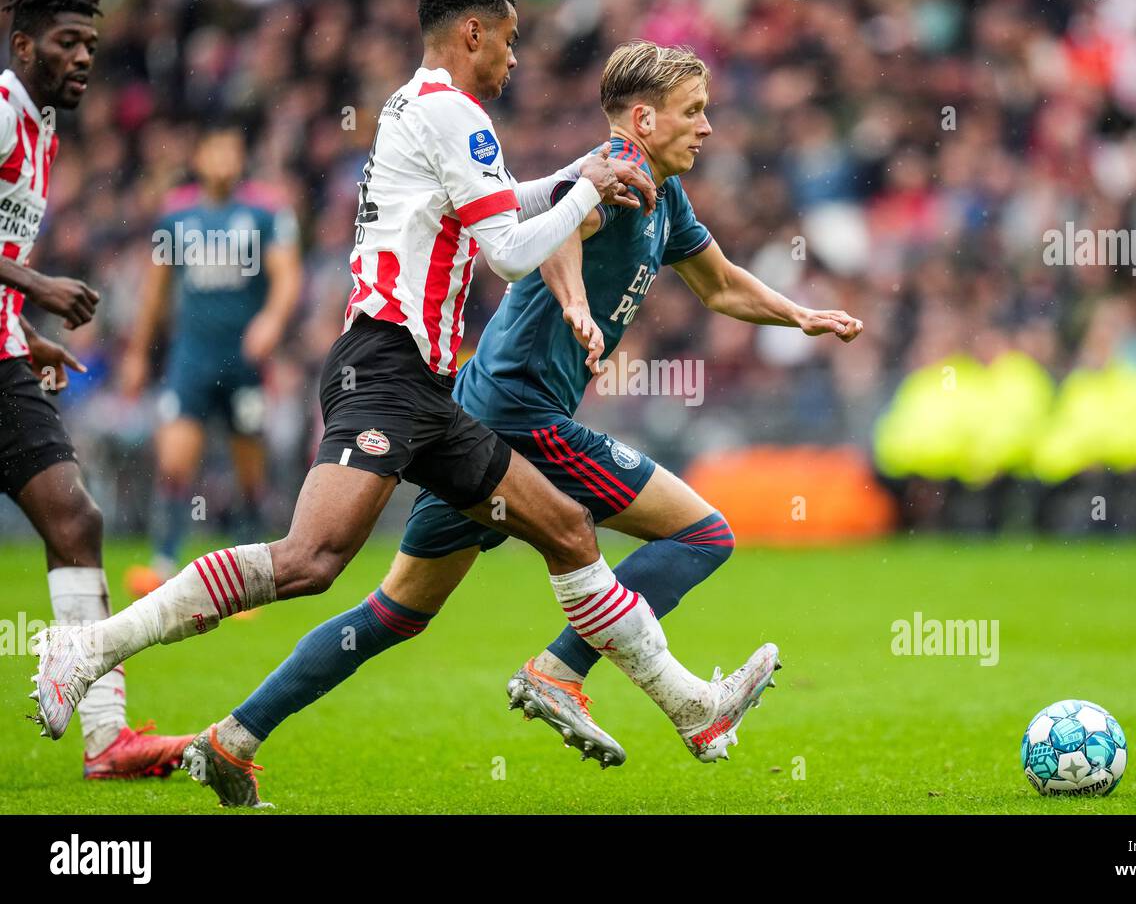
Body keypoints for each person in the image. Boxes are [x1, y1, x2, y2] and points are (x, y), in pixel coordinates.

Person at [31, 0, 778, 805]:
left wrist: (573, 177)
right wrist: (588, 192)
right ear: (473, 34)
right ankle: (91, 647)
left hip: (430, 389)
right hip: (382, 367)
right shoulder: (454, 111)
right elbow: (506, 250)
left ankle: (689, 708)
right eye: (508, 40)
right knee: (311, 560)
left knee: (567, 532)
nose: (513, 58)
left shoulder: (416, 107)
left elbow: (492, 206)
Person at [183, 40, 860, 807]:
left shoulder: (664, 195)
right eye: (694, 112)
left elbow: (722, 286)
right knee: (702, 533)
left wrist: (798, 313)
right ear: (643, 118)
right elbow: (560, 235)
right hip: (519, 412)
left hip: (474, 415)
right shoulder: (610, 177)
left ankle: (231, 739)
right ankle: (560, 671)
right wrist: (573, 301)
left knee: (394, 612)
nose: (707, 128)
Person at [1, 0, 192, 778]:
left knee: (76, 523)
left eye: (89, 45)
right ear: (22, 45)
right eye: (66, 42)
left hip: (3, 352)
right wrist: (35, 288)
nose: (82, 57)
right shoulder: (3, 111)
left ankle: (107, 739)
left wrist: (24, 329)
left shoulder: (40, 128)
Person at [119, 125, 302, 594]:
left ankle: (247, 580)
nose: (224, 158)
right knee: (175, 462)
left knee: (249, 472)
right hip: (191, 358)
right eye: (215, 149)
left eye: (232, 150)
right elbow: (155, 290)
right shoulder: (175, 216)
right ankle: (163, 565)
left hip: (244, 360)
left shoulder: (266, 211)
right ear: (198, 156)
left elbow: (287, 277)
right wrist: (138, 354)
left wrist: (272, 322)